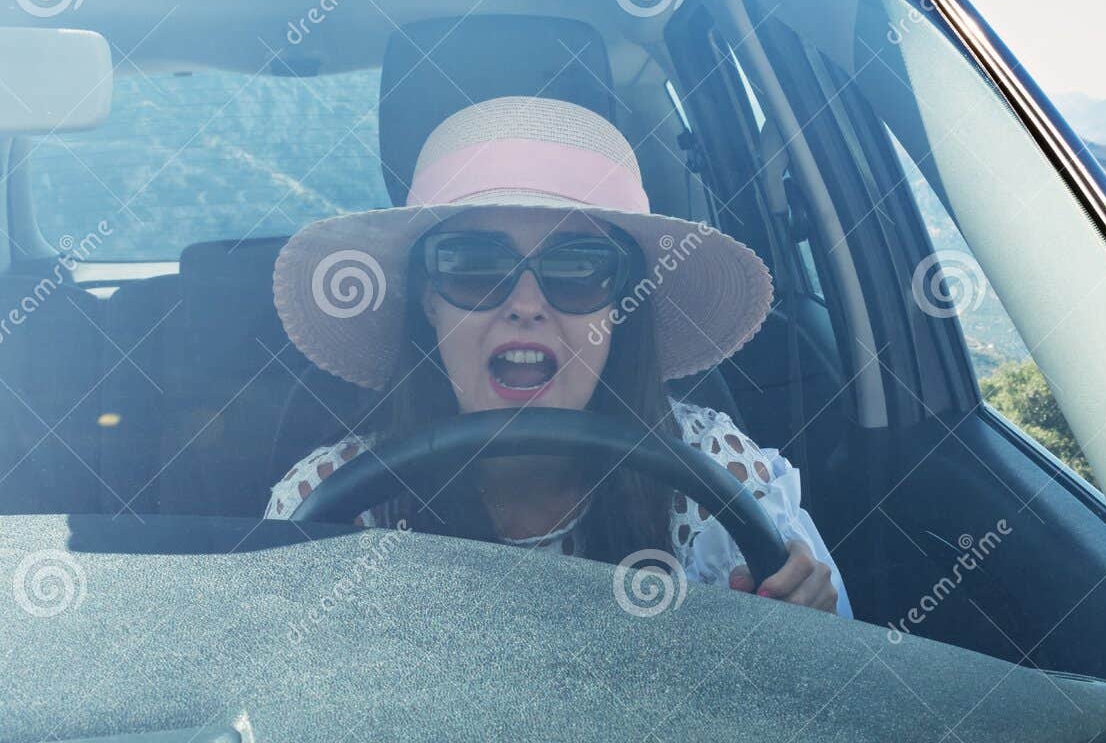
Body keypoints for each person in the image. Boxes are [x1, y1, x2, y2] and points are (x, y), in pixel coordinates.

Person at [266, 95, 847, 616]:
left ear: (623, 305)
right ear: (427, 302)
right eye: (473, 265)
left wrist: (804, 622)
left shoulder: (714, 488)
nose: (525, 304)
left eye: (577, 268)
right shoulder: (329, 507)